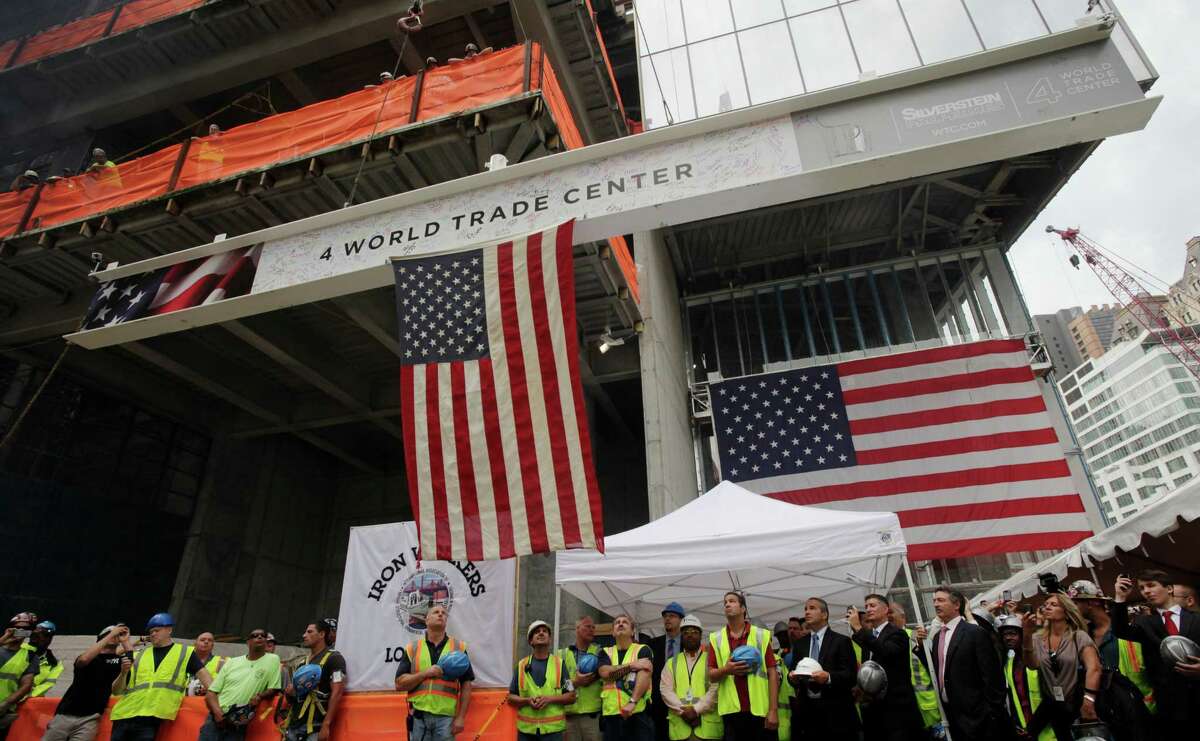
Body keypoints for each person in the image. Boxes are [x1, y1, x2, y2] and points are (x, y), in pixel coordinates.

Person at [1112, 570, 1200, 729]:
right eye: (1142, 588)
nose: (1146, 591)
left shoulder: (1196, 619)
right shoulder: (1144, 623)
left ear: (1169, 588)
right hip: (1169, 706)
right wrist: (1120, 597)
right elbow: (1120, 631)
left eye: (1151, 585)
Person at [109, 612, 211, 741]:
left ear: (169, 630)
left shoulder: (184, 653)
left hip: (152, 718)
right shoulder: (139, 655)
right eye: (151, 631)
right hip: (123, 715)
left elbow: (208, 681)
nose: (152, 634)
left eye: (156, 630)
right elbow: (116, 691)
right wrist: (123, 673)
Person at [929, 587, 1007, 740]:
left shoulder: (974, 633)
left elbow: (992, 676)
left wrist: (990, 714)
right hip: (953, 717)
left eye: (941, 600)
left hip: (979, 718)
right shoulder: (938, 636)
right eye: (934, 601)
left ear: (957, 604)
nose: (936, 604)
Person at [1020, 592, 1101, 740]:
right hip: (1053, 705)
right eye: (1046, 605)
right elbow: (1032, 665)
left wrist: (1089, 700)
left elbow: (1094, 668)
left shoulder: (1079, 636)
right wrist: (1026, 634)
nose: (1047, 607)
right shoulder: (1037, 638)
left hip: (1077, 702)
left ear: (1066, 611)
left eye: (1054, 605)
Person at [1068, 580, 1155, 713]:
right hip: (1106, 709)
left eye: (1075, 603)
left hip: (1140, 706)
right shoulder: (1082, 636)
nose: (1071, 609)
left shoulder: (1128, 628)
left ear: (1092, 602)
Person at [847, 595, 921, 741]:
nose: (868, 609)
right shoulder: (868, 637)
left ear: (886, 609)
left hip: (896, 712)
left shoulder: (897, 633)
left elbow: (885, 651)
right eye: (866, 606)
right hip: (873, 710)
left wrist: (858, 628)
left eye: (872, 605)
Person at [706, 592, 778, 741]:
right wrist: (726, 669)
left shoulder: (761, 635)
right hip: (732, 714)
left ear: (743, 608)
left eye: (732, 601)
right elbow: (711, 676)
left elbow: (772, 674)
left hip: (760, 711)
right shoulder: (715, 638)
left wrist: (773, 710)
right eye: (725, 602)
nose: (727, 604)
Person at [41, 624, 133, 741]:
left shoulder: (119, 661)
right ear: (101, 638)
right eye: (110, 634)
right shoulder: (90, 657)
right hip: (65, 714)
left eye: (116, 634)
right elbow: (83, 661)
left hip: (91, 718)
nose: (114, 635)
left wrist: (126, 641)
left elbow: (121, 684)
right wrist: (112, 633)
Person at [394, 605, 472, 741]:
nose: (440, 615)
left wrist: (460, 718)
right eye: (436, 612)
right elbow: (399, 684)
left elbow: (466, 684)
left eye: (444, 613)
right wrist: (425, 674)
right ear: (427, 620)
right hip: (419, 719)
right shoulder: (413, 648)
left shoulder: (459, 648)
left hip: (445, 719)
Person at [786, 598, 855, 741]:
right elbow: (793, 671)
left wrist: (828, 678)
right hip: (808, 715)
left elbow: (851, 675)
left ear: (824, 615)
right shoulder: (800, 644)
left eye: (812, 608)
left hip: (836, 714)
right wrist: (792, 678)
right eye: (805, 609)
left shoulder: (841, 641)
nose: (807, 612)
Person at [200, 628, 282, 741]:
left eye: (263, 636)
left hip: (238, 721)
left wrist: (260, 696)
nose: (259, 637)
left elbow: (274, 689)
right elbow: (211, 693)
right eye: (255, 635)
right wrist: (218, 714)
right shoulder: (232, 662)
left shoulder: (273, 660)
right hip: (215, 718)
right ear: (248, 642)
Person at [510, 621, 575, 741]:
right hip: (526, 732)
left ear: (549, 640)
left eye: (544, 631)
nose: (541, 633)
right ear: (531, 641)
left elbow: (572, 695)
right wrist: (527, 700)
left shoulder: (560, 665)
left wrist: (549, 699)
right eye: (537, 631)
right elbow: (511, 697)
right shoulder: (521, 665)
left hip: (553, 732)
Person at [660, 615, 720, 741]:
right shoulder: (671, 663)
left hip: (707, 729)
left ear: (701, 635)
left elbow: (716, 688)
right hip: (680, 729)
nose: (690, 635)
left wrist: (696, 710)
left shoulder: (711, 660)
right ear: (681, 635)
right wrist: (685, 712)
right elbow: (666, 691)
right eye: (686, 632)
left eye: (694, 632)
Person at [284, 620, 346, 741]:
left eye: (309, 632)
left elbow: (337, 693)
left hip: (314, 728)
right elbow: (293, 699)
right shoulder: (301, 663)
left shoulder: (334, 658)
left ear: (322, 634)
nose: (304, 635)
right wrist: (290, 693)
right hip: (293, 727)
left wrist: (326, 725)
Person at [996, 615, 1053, 740]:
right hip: (1024, 729)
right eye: (1005, 635)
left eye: (1012, 633)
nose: (1008, 638)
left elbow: (1050, 696)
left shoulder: (1039, 658)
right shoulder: (1008, 663)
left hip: (1047, 728)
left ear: (1023, 635)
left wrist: (1033, 727)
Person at [598, 614, 654, 741]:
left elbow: (644, 674)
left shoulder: (643, 649)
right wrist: (631, 665)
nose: (620, 624)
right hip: (611, 717)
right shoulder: (605, 652)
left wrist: (632, 702)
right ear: (613, 632)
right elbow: (606, 674)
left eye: (625, 622)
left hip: (637, 713)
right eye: (617, 622)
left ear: (633, 631)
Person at [889, 602, 941, 734]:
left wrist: (921, 646)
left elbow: (934, 665)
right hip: (905, 708)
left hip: (928, 706)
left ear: (903, 618)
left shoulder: (916, 636)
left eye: (891, 613)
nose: (888, 617)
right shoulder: (883, 642)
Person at [560, 617, 602, 741]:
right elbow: (557, 686)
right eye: (587, 626)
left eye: (593, 627)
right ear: (577, 628)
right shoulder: (561, 654)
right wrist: (575, 683)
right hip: (569, 718)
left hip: (593, 718)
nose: (591, 630)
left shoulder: (601, 652)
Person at [649, 603, 686, 741]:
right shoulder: (652, 644)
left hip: (681, 700)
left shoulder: (688, 644)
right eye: (665, 616)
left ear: (681, 620)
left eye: (672, 616)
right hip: (657, 703)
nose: (667, 619)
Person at [0, 613, 39, 741]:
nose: (21, 631)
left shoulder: (30, 656)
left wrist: (5, 705)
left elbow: (26, 685)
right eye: (18, 628)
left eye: (26, 629)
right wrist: (3, 639)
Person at [28, 621, 64, 697]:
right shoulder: (18, 651)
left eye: (47, 636)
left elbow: (45, 686)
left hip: (29, 702)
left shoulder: (55, 664)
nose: (44, 639)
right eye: (37, 635)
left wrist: (20, 697)